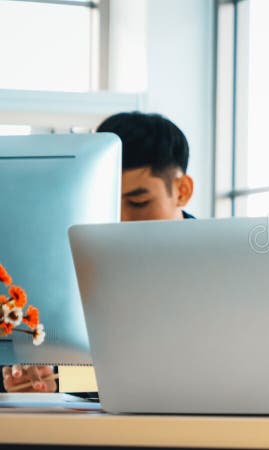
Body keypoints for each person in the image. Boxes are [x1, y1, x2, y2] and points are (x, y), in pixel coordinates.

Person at [2, 112, 196, 393]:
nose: (120, 218)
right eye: (107, 201)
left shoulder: (220, 272)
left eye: (139, 202)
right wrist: (47, 377)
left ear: (183, 190)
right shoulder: (75, 262)